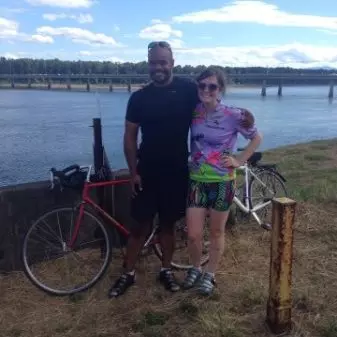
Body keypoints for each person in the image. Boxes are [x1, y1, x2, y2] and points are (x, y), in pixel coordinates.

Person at [108, 41, 255, 298]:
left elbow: (213, 100)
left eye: (163, 62)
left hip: (177, 171)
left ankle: (166, 270)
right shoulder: (139, 98)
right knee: (139, 226)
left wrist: (244, 118)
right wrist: (133, 172)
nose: (158, 67)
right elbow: (129, 138)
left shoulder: (188, 90)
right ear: (148, 63)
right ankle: (127, 273)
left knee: (168, 225)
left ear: (172, 63)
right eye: (153, 62)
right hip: (148, 170)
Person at [181, 67, 262, 296]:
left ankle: (210, 274)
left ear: (220, 89)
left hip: (222, 181)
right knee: (193, 234)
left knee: (216, 232)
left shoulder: (233, 115)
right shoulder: (193, 111)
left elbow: (257, 137)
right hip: (197, 180)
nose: (206, 90)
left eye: (212, 86)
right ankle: (196, 268)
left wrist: (239, 159)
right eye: (202, 85)